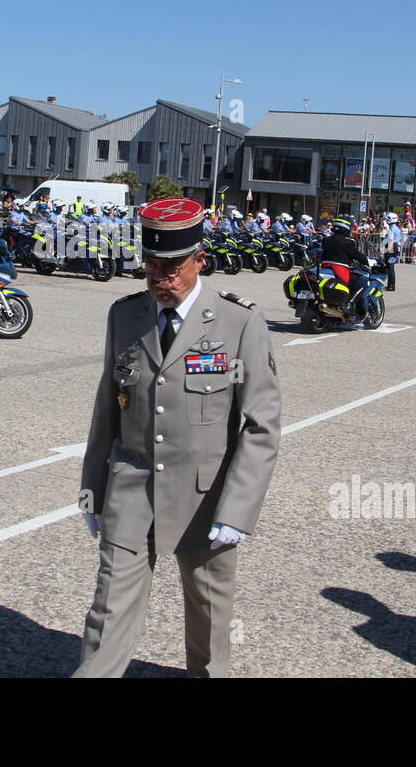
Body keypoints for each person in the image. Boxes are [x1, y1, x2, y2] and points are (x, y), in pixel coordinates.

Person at [75, 196, 280, 677]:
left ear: (199, 261)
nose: (159, 280)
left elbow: (262, 424)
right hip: (130, 487)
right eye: (150, 268)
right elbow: (107, 408)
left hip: (205, 497)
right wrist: (92, 491)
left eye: (171, 268)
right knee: (108, 611)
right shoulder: (125, 316)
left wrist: (238, 511)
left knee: (209, 621)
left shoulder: (238, 321)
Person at [320, 215, 371, 313]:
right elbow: (357, 255)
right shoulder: (348, 242)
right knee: (362, 281)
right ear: (346, 228)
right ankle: (349, 304)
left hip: (326, 267)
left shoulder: (326, 240)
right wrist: (367, 261)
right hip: (340, 270)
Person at [381, 211, 402, 290]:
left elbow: (390, 240)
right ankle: (391, 285)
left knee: (390, 267)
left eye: (387, 219)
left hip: (392, 247)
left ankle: (391, 286)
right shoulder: (396, 227)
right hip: (395, 247)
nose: (386, 220)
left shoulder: (392, 229)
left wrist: (386, 251)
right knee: (391, 267)